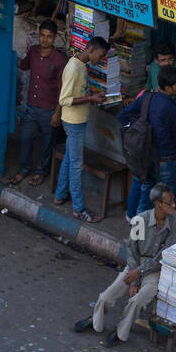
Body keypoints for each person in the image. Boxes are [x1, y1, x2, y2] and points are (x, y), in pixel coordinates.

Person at [73, 185, 176, 347]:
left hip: (156, 269)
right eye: (169, 202)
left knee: (138, 301)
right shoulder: (140, 220)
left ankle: (120, 331)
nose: (174, 205)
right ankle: (94, 320)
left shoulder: (175, 219)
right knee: (107, 295)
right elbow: (132, 252)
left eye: (173, 201)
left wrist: (139, 273)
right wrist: (134, 281)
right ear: (158, 204)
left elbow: (164, 255)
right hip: (136, 264)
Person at [117, 66, 176, 222]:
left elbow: (123, 116)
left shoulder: (146, 98)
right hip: (165, 160)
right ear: (168, 88)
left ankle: (135, 222)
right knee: (167, 196)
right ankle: (158, 229)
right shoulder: (171, 108)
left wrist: (138, 132)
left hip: (145, 156)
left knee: (144, 189)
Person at [53, 35, 110, 223]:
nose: (100, 60)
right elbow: (64, 100)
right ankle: (78, 209)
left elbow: (78, 92)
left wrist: (92, 96)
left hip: (77, 120)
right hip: (73, 122)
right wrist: (90, 99)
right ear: (91, 50)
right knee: (76, 165)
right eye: (100, 56)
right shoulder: (73, 68)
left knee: (70, 159)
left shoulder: (81, 64)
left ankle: (60, 195)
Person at [10, 19, 66, 186]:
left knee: (47, 144)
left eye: (49, 37)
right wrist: (8, 53)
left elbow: (62, 90)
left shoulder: (59, 61)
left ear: (54, 38)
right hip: (32, 105)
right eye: (42, 36)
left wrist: (57, 113)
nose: (45, 40)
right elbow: (25, 65)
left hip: (49, 109)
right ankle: (25, 168)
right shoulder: (34, 51)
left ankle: (41, 171)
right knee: (26, 138)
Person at [145, 43, 176, 110]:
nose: (167, 63)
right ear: (156, 60)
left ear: (174, 57)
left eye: (170, 59)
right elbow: (148, 86)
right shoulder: (153, 67)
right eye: (163, 60)